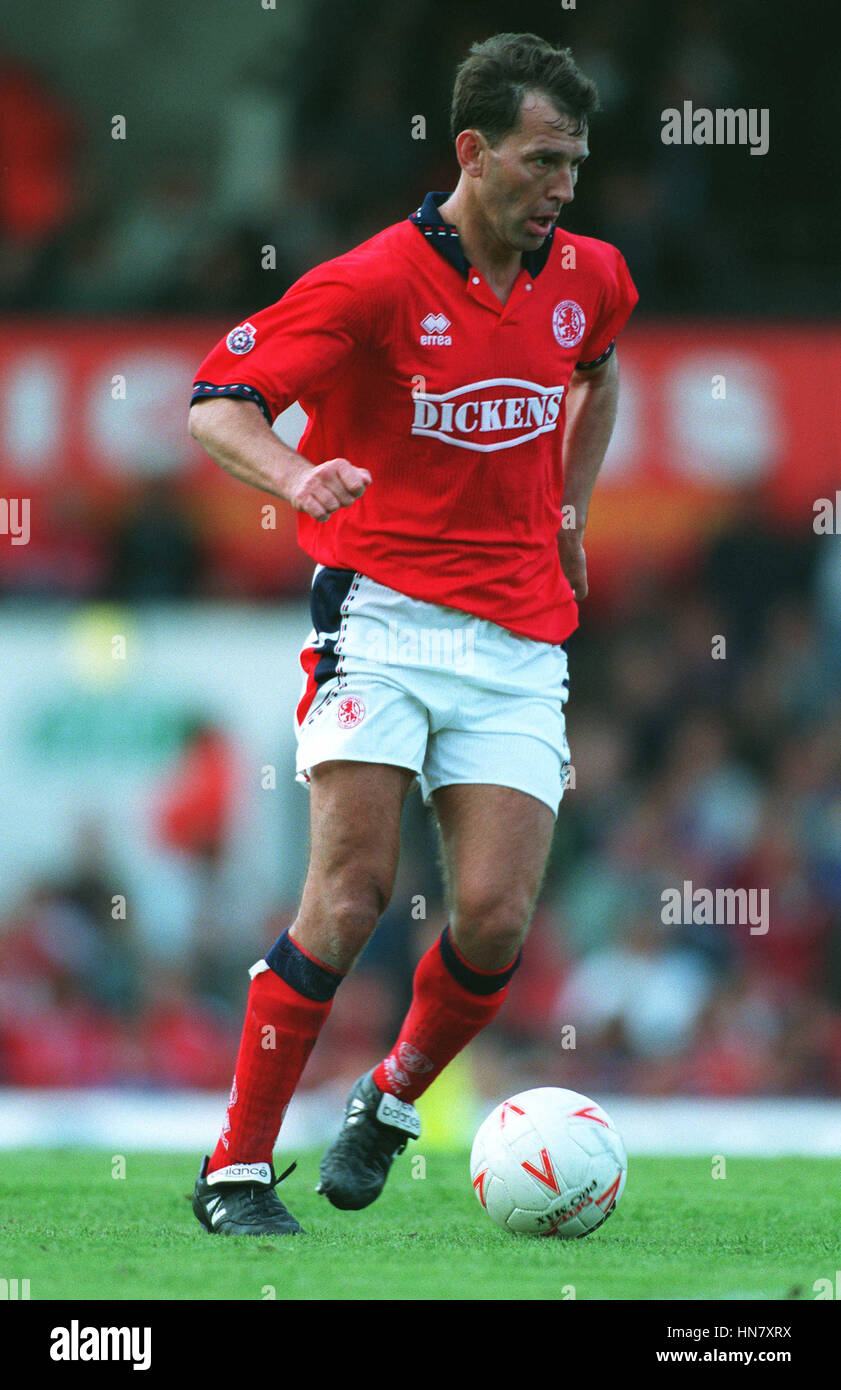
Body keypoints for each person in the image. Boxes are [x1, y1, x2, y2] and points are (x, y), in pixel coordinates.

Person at [187, 31, 637, 1235]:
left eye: (575, 166)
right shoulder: (374, 281)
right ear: (472, 152)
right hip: (380, 618)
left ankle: (390, 1099)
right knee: (350, 893)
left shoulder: (589, 273)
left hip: (516, 639)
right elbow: (215, 400)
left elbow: (599, 371)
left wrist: (570, 508)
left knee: (491, 920)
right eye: (542, 162)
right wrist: (293, 471)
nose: (560, 188)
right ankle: (234, 1170)